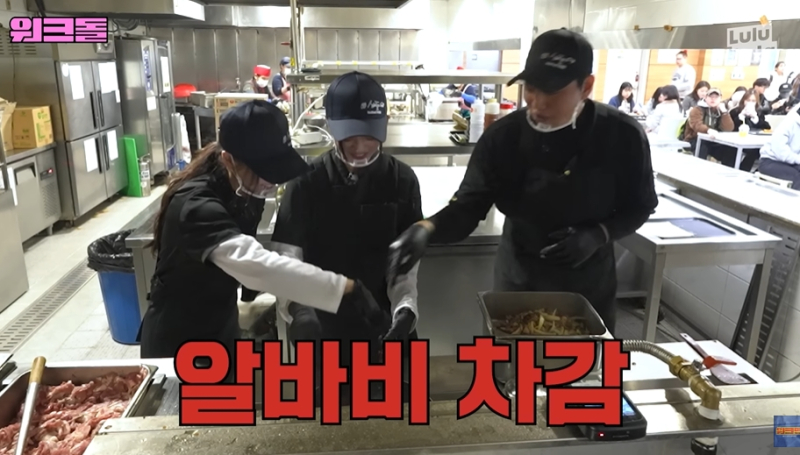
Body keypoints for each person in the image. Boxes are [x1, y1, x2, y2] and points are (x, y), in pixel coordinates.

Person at [386, 29, 659, 335]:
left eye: (552, 91)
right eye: (531, 88)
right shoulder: (504, 138)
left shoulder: (622, 136)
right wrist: (427, 229)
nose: (537, 103)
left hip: (588, 286)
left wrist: (598, 234)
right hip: (518, 281)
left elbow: (641, 205)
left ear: (586, 87)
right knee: (511, 361)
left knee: (586, 364)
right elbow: (468, 206)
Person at [138, 100, 389, 364]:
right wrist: (345, 289)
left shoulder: (246, 190)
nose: (272, 182)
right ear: (228, 160)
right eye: (264, 172)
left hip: (222, 328)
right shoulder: (195, 206)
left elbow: (246, 269)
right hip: (177, 342)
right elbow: (257, 266)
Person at [272, 72, 421, 404]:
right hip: (322, 331)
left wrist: (405, 310)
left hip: (384, 328)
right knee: (324, 420)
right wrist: (298, 310)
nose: (360, 148)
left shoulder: (402, 180)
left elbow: (404, 267)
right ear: (331, 128)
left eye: (369, 137)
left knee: (397, 417)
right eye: (350, 138)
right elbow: (286, 261)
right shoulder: (305, 183)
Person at [758, 110, 800, 189]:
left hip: (791, 162)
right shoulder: (789, 123)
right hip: (770, 161)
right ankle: (793, 197)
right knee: (798, 177)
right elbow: (780, 151)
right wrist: (798, 159)